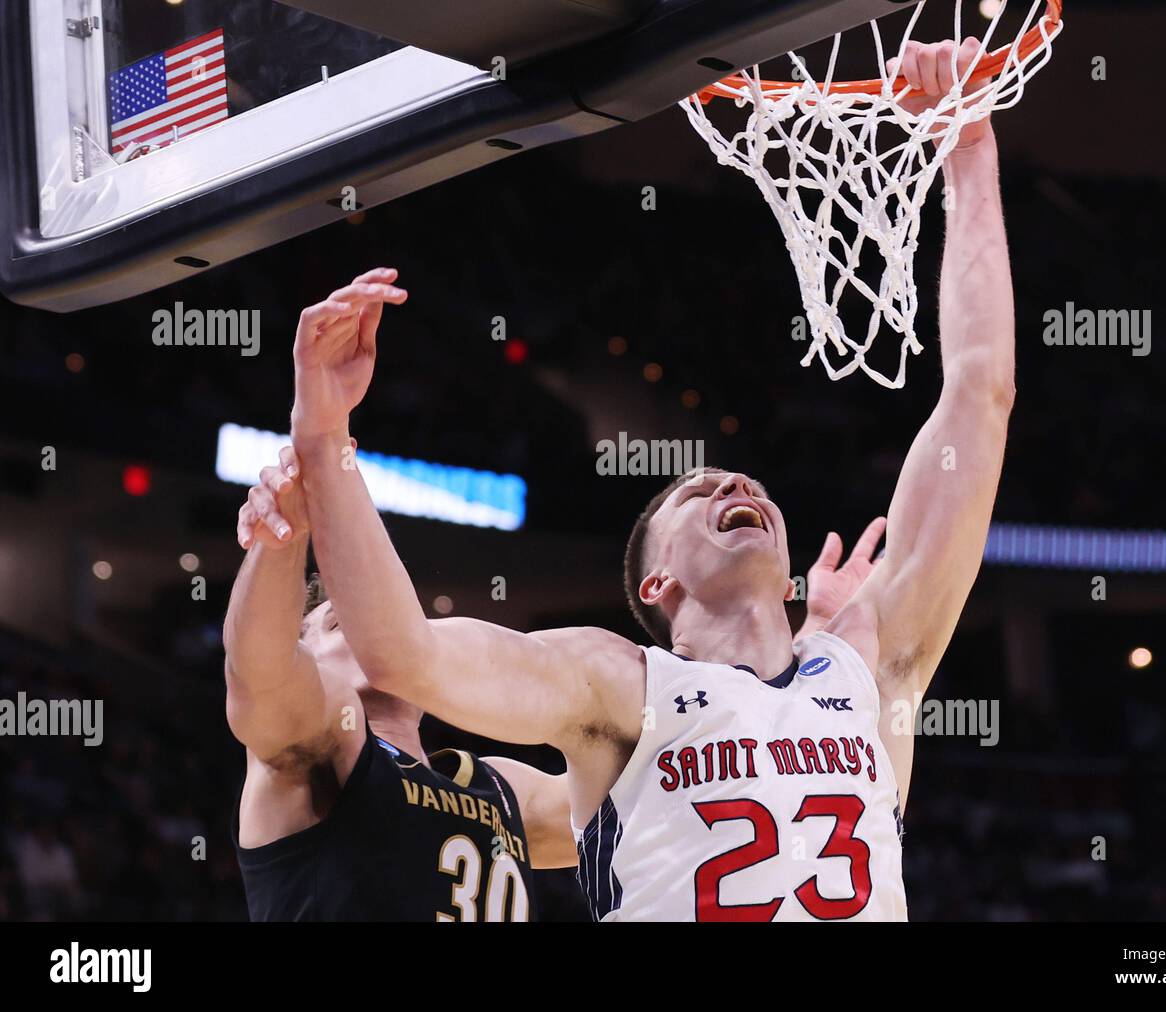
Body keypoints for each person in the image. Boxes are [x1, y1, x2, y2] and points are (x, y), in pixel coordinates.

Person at [291, 39, 1014, 920]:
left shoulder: (867, 666)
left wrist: (968, 146)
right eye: (694, 493)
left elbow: (980, 395)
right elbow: (402, 651)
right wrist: (325, 439)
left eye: (738, 483)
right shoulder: (618, 687)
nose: (729, 484)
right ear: (656, 581)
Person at [224, 445, 574, 920]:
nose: (371, 631)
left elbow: (635, 800)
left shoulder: (502, 787)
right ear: (306, 660)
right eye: (339, 622)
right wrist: (283, 539)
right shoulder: (324, 748)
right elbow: (258, 669)